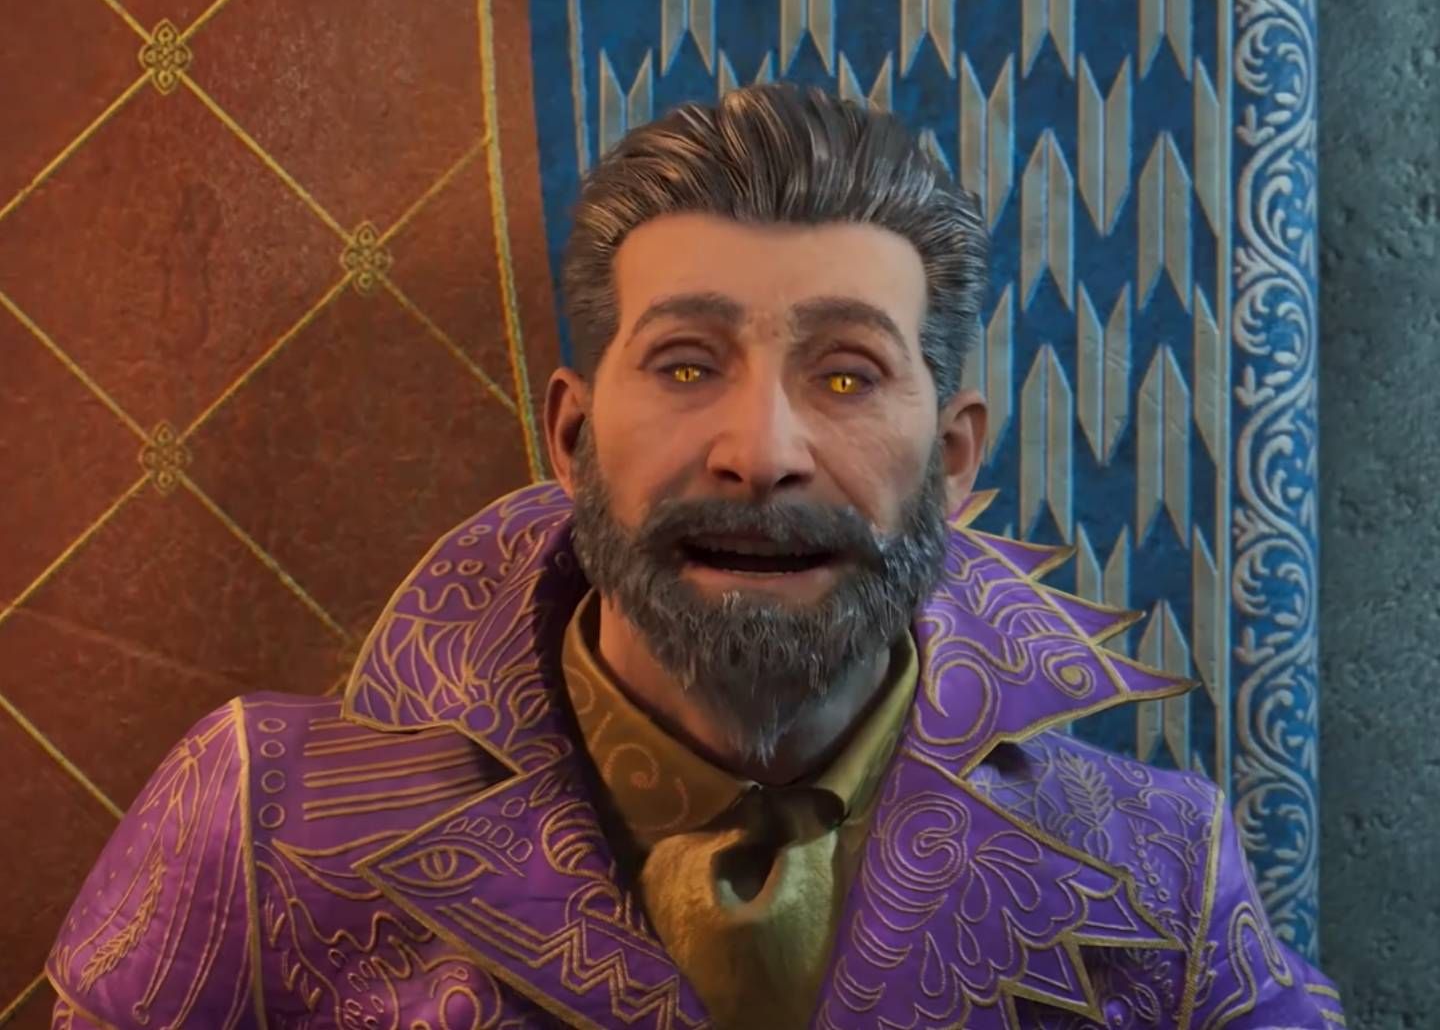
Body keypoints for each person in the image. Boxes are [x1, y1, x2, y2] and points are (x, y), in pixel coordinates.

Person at [46, 84, 1343, 1029]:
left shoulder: (1161, 883)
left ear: (952, 461)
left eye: (847, 373)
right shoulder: (262, 829)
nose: (760, 452)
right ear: (571, 436)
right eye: (683, 364)